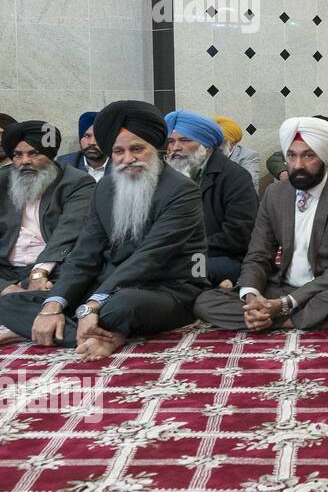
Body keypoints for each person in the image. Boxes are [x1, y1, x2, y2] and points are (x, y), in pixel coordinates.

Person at [0, 101, 208, 360]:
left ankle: (68, 330)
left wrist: (92, 305)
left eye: (137, 149)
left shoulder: (182, 191)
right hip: (109, 282)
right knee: (8, 302)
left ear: (157, 149)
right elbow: (84, 254)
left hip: (166, 288)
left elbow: (150, 258)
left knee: (120, 307)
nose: (127, 159)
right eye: (118, 151)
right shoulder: (105, 188)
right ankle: (88, 332)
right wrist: (52, 306)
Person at [194, 117, 328, 332]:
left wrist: (283, 304)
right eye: (291, 156)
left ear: (325, 158)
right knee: (204, 301)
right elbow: (258, 254)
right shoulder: (275, 194)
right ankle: (308, 320)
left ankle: (285, 319)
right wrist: (253, 298)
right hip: (283, 285)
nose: (297, 165)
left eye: (308, 156)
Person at [164, 110, 259, 288]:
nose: (175, 147)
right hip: (175, 253)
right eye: (171, 141)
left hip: (223, 257)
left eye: (185, 140)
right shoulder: (169, 176)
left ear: (206, 146)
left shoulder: (235, 177)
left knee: (181, 270)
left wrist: (184, 248)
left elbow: (238, 235)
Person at [0, 121, 94, 293]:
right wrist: (5, 288)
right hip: (5, 270)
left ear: (50, 156)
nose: (25, 161)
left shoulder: (76, 182)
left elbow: (69, 231)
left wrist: (39, 272)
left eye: (34, 153)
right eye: (17, 155)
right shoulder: (2, 180)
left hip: (52, 267)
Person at [56, 111, 109, 182]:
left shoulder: (120, 164)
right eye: (87, 136)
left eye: (99, 136)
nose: (92, 142)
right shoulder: (64, 164)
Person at [214, 116, 262, 185]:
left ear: (232, 140)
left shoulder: (249, 155)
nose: (216, 143)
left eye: (221, 139)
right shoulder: (208, 154)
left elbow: (249, 182)